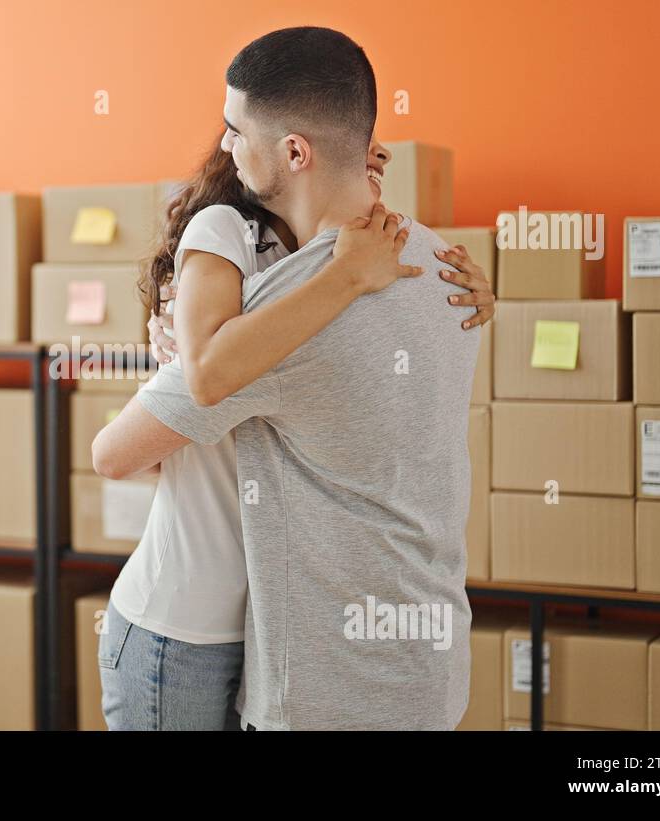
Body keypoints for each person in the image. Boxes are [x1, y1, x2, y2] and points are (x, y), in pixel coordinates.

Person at [93, 26, 483, 730]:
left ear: (295, 151)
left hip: (326, 688)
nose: (223, 147)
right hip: (430, 667)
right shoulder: (446, 266)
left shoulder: (291, 307)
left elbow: (130, 439)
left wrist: (188, 361)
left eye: (235, 130)